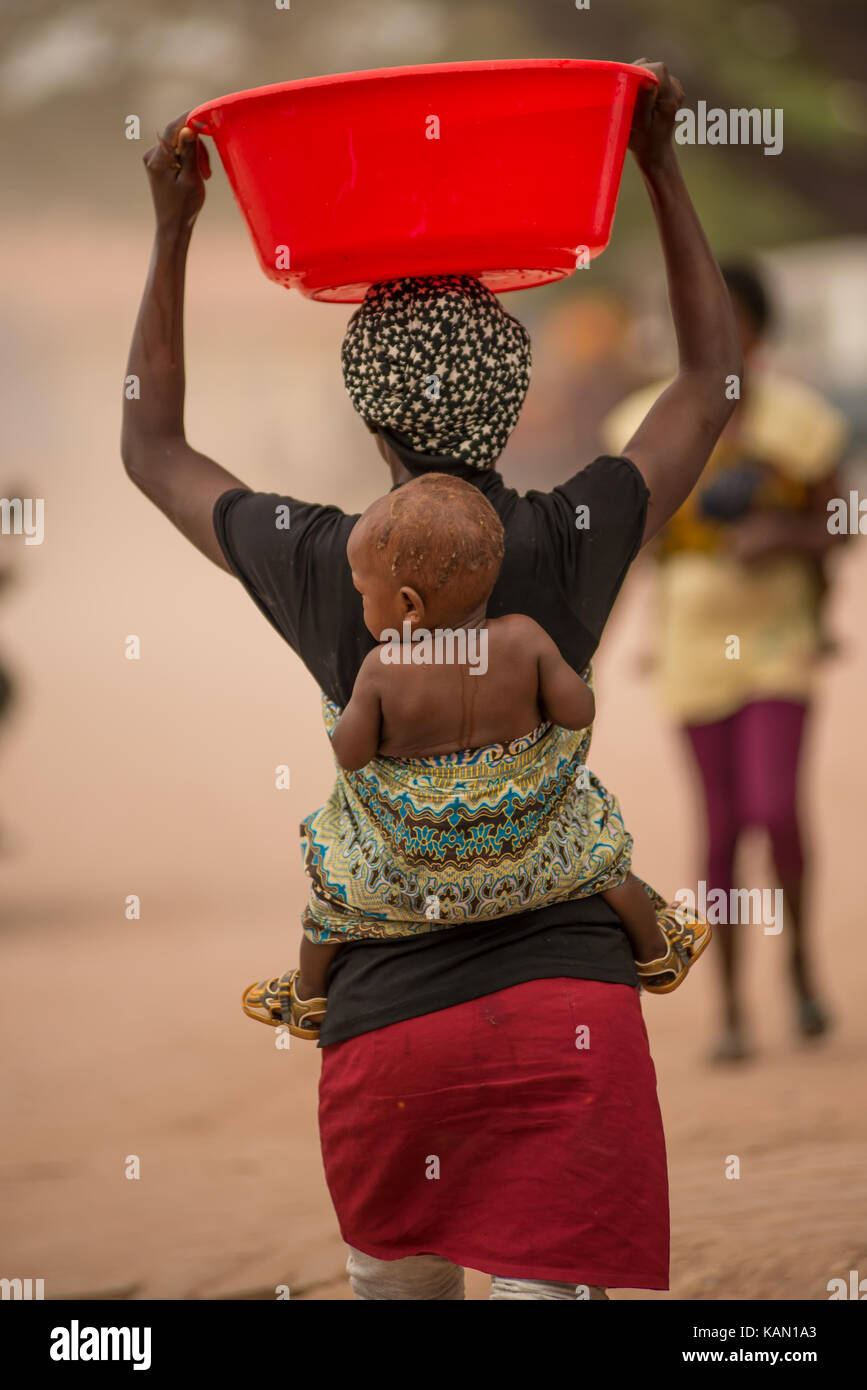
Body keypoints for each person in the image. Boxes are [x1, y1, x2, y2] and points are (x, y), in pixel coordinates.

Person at [122, 61, 742, 1298]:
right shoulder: (581, 531)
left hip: (387, 1025)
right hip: (572, 1010)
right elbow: (708, 383)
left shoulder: (322, 564)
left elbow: (151, 445)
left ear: (364, 404)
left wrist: (176, 229)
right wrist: (660, 170)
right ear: (514, 396)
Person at [240, 473, 709, 1037]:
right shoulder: (524, 640)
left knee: (335, 898)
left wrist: (346, 716)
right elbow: (578, 712)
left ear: (407, 606)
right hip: (531, 858)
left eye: (364, 592)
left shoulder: (383, 670)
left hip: (410, 873)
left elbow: (353, 755)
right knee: (599, 856)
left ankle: (308, 998)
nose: (360, 600)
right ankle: (658, 953)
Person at [603, 261, 849, 1064]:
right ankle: (733, 1009)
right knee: (720, 828)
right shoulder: (641, 427)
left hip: (778, 639)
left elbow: (839, 522)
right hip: (690, 644)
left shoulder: (804, 425)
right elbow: (622, 550)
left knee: (773, 808)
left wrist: (785, 536)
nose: (715, 335)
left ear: (759, 330)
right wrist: (588, 652)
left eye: (730, 320)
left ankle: (802, 967)